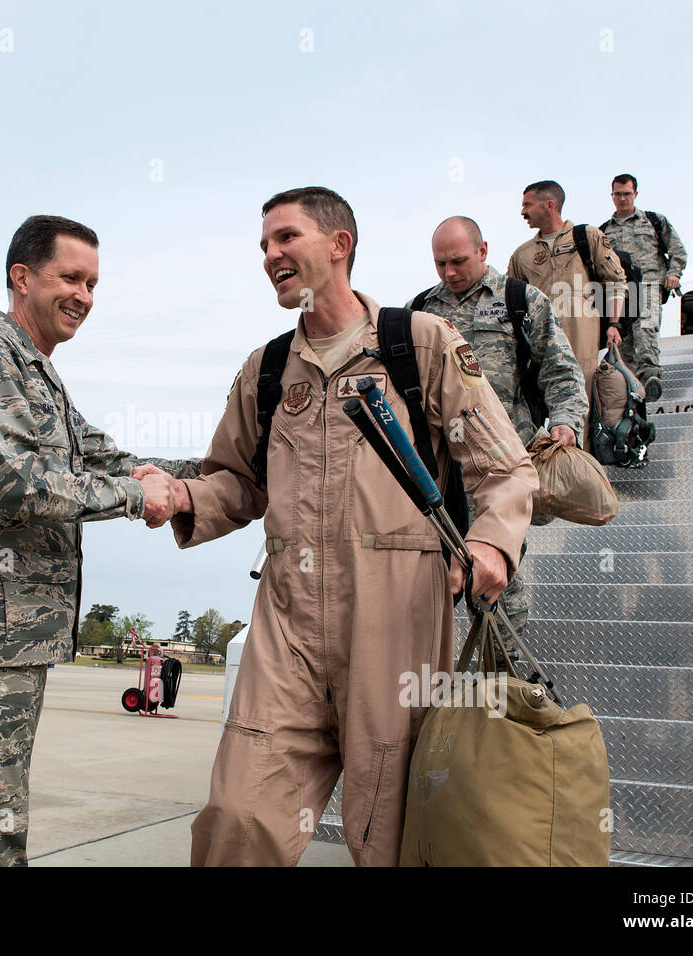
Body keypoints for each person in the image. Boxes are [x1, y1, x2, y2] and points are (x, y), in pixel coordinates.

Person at [139, 187, 539, 866]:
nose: (270, 255)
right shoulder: (267, 369)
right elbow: (237, 481)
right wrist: (182, 494)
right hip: (288, 623)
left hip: (396, 617)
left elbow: (505, 469)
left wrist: (490, 543)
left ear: (338, 245)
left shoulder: (419, 344)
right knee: (238, 813)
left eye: (285, 238)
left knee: (392, 833)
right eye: (264, 244)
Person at [0, 215, 199, 866]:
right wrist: (133, 499)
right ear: (22, 277)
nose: (84, 295)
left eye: (93, 283)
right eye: (71, 277)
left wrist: (214, 472)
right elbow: (11, 484)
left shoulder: (36, 376)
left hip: (8, 644)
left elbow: (108, 461)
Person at [409, 215, 587, 641]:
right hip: (441, 468)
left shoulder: (521, 300)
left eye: (458, 261)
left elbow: (561, 372)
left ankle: (506, 680)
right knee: (434, 574)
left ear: (483, 251)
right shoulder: (420, 310)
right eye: (440, 264)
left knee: (495, 572)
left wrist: (566, 422)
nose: (449, 273)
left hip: (502, 463)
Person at [507, 180, 627, 395]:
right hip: (540, 343)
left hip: (582, 339)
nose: (523, 212)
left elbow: (616, 281)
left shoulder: (587, 237)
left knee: (583, 396)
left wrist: (614, 325)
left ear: (549, 205)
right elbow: (509, 301)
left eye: (528, 204)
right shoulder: (521, 255)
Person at [600, 174, 688, 400]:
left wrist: (674, 274)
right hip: (622, 291)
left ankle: (650, 375)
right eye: (618, 194)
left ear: (635, 194)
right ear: (612, 196)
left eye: (627, 194)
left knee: (645, 328)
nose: (622, 199)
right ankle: (628, 385)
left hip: (649, 284)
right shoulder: (602, 232)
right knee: (623, 340)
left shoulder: (653, 221)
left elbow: (677, 250)